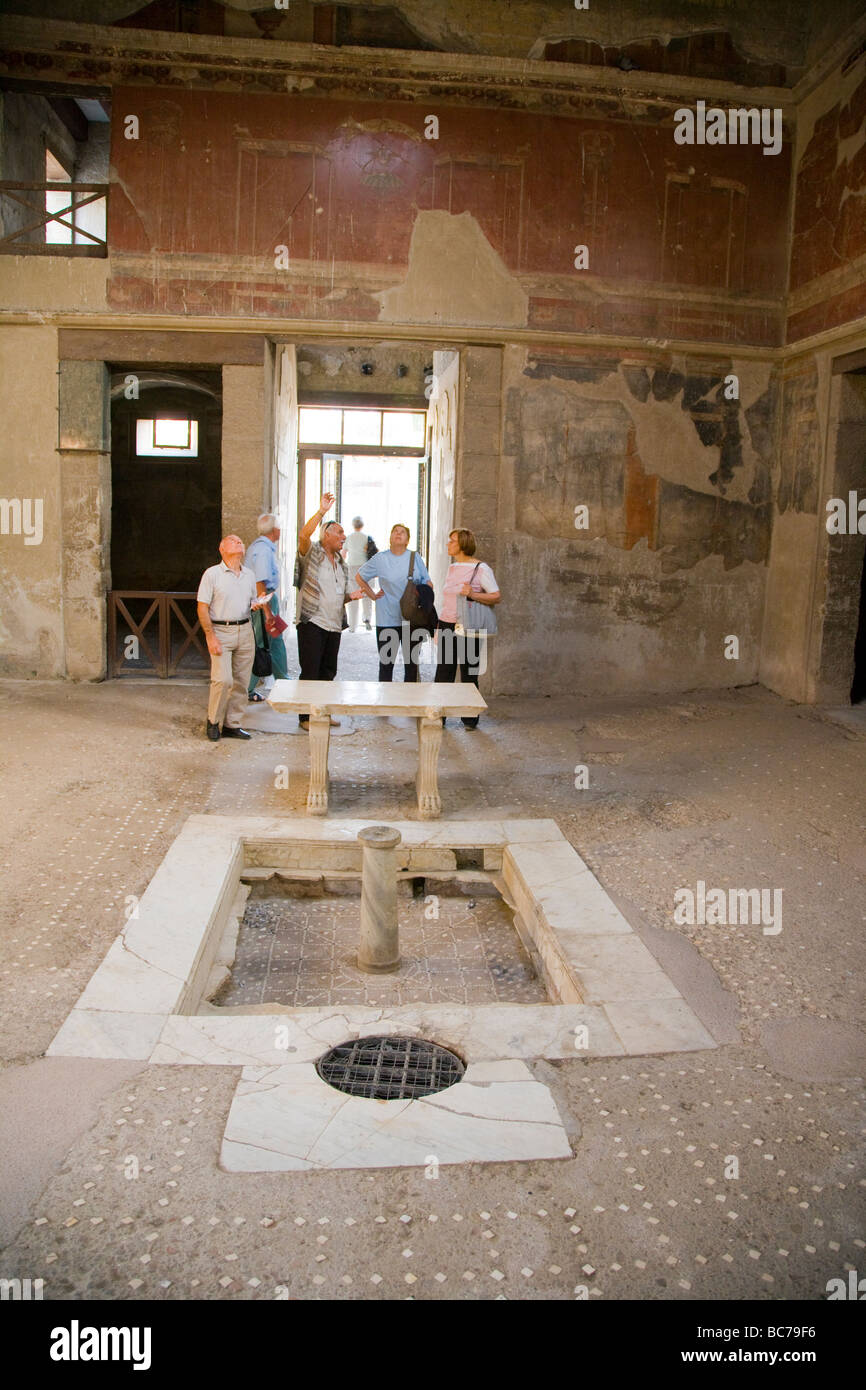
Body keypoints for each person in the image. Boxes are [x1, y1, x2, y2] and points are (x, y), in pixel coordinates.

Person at [294, 493, 363, 729]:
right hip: (312, 622)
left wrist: (350, 596)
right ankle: (305, 717)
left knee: (327, 672)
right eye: (340, 533)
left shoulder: (341, 564)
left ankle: (321, 714)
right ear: (327, 535)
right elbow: (303, 535)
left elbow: (336, 594)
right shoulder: (312, 553)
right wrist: (321, 512)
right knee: (310, 672)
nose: (344, 537)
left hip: (334, 624)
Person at [197, 534, 270, 741]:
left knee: (241, 682)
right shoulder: (212, 574)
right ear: (222, 549)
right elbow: (202, 607)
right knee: (223, 679)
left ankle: (232, 724)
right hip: (221, 631)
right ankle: (213, 721)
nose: (239, 542)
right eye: (233, 540)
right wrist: (210, 636)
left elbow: (249, 600)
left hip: (245, 630)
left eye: (240, 541)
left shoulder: (248, 574)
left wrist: (257, 603)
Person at [434, 527, 500, 729]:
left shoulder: (481, 568)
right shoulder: (453, 567)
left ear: (462, 544)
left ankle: (470, 719)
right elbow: (448, 601)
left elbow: (496, 596)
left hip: (469, 627)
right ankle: (439, 717)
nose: (448, 544)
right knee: (443, 673)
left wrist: (472, 593)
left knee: (468, 674)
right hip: (447, 624)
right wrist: (439, 626)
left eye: (452, 541)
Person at [355, 523, 432, 682]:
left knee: (411, 665)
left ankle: (409, 703)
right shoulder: (380, 558)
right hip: (387, 618)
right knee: (386, 665)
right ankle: (385, 703)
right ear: (390, 538)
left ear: (407, 540)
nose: (398, 533)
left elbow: (428, 584)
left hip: (412, 620)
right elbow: (359, 577)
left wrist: (422, 597)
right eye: (395, 531)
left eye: (402, 532)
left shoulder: (414, 557)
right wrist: (373, 595)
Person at [246, 511, 289, 703]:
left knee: (275, 640)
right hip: (264, 601)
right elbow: (260, 583)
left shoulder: (260, 547)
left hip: (266, 600)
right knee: (263, 644)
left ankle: (284, 680)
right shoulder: (263, 550)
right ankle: (248, 687)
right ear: (275, 530)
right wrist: (267, 611)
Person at [342, 516, 374, 632]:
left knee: (353, 595)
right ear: (362, 525)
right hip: (365, 568)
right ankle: (367, 619)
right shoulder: (366, 538)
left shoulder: (349, 538)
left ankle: (352, 626)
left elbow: (343, 555)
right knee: (366, 595)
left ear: (353, 525)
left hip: (352, 568)